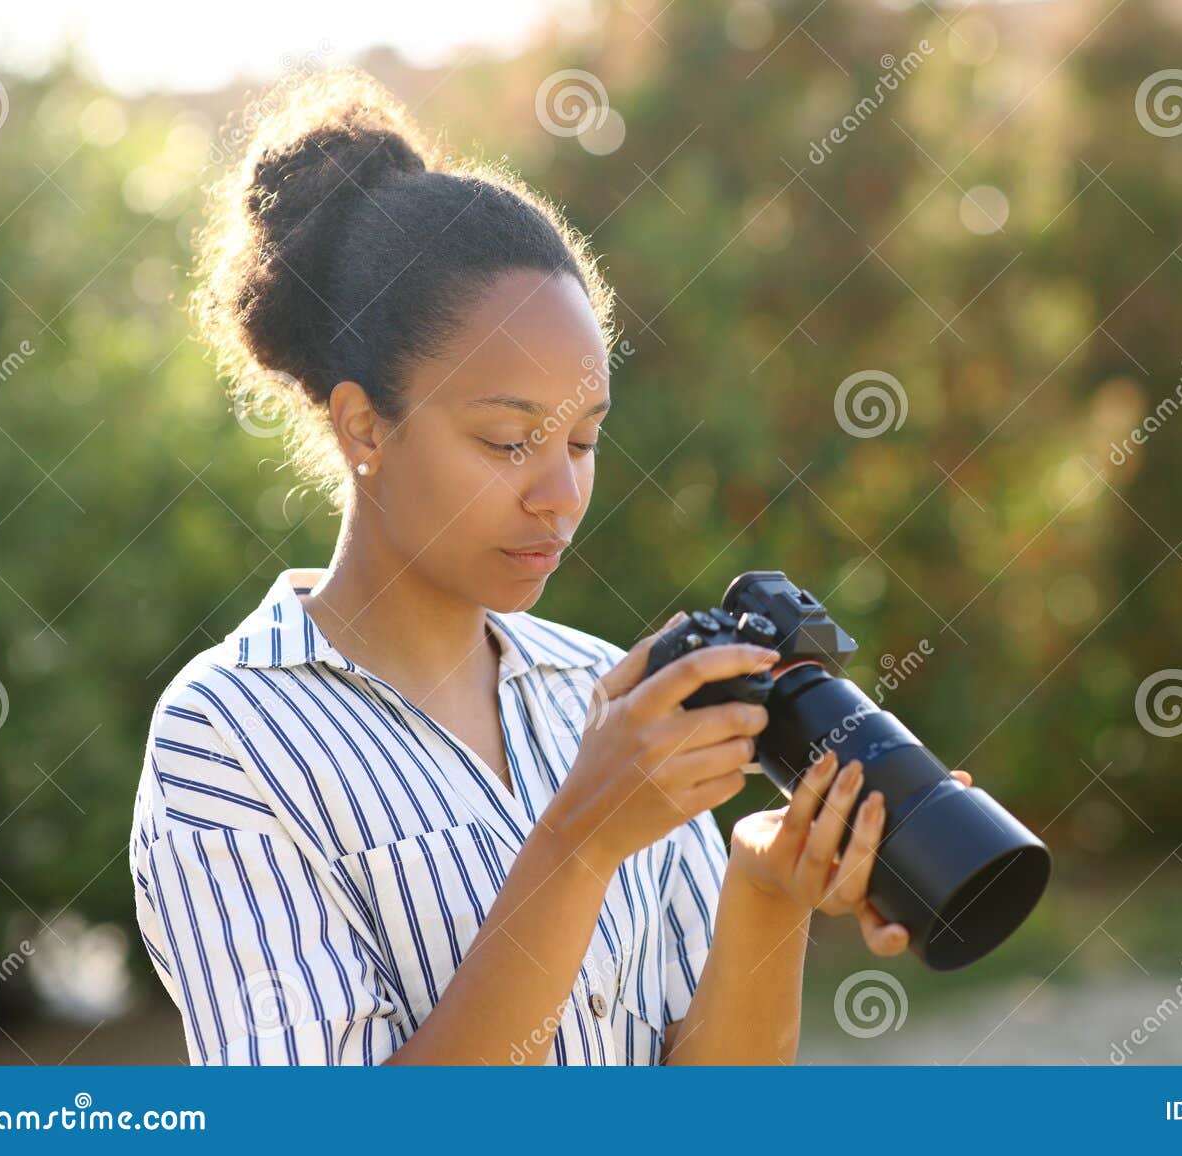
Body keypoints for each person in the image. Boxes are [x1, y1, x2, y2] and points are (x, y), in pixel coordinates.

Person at [128, 67, 972, 1066]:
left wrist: (768, 890)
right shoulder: (228, 738)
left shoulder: (601, 692)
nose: (559, 494)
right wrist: (578, 841)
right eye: (507, 441)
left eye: (581, 441)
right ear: (364, 425)